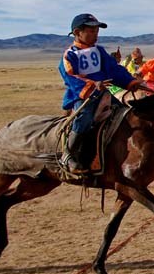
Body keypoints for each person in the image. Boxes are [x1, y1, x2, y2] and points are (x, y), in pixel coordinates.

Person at [59, 13, 143, 173]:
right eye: (91, 31)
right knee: (85, 117)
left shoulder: (99, 51)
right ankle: (68, 154)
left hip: (103, 94)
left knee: (125, 112)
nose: (96, 35)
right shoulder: (70, 54)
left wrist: (131, 82)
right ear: (77, 32)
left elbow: (114, 69)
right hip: (82, 96)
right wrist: (92, 85)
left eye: (97, 31)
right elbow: (70, 76)